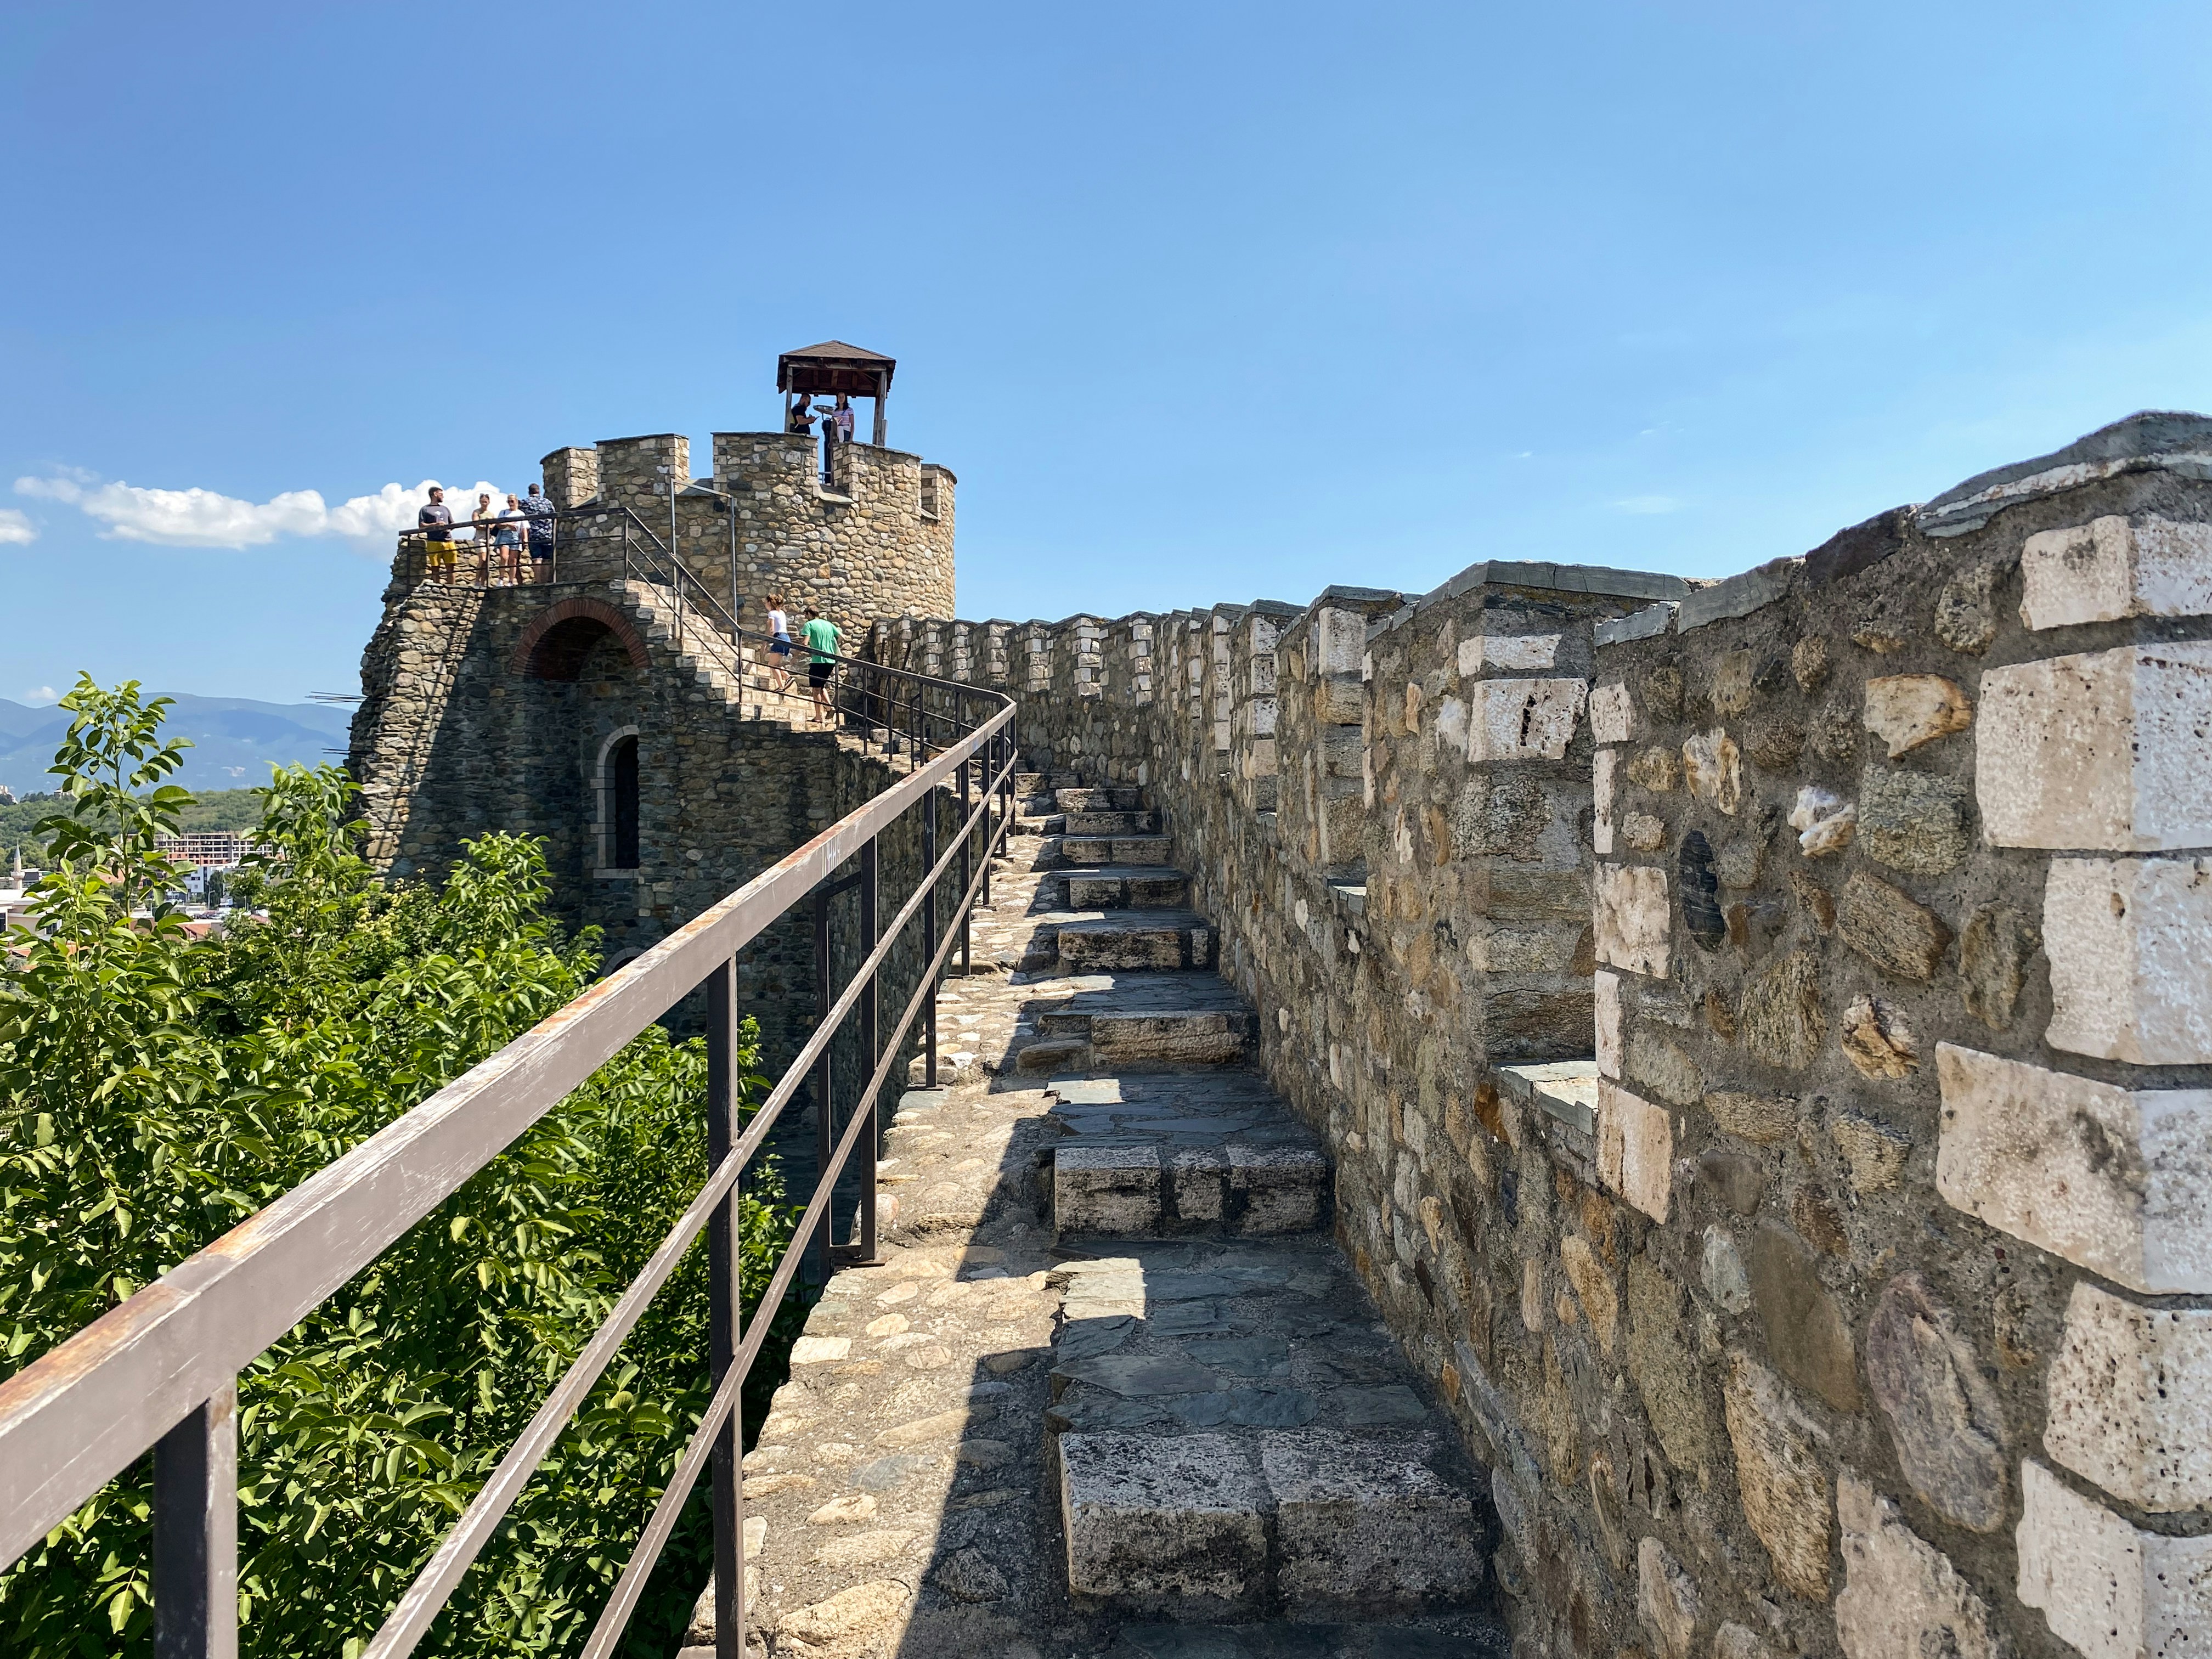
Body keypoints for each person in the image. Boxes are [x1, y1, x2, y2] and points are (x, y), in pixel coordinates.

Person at [802, 605, 840, 725]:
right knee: (821, 686)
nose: (806, 617)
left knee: (816, 689)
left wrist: (797, 654)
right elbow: (841, 637)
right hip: (830, 661)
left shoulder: (809, 625)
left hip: (818, 660)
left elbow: (805, 643)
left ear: (809, 614)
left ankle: (818, 716)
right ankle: (829, 707)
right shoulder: (828, 624)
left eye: (806, 615)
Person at [417, 487, 456, 579]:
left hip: (449, 541)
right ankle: (436, 586)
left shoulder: (445, 509)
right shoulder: (425, 509)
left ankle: (452, 587)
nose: (443, 496)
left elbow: (452, 523)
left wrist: (449, 528)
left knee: (451, 568)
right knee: (435, 568)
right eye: (441, 494)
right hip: (433, 541)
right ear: (435, 494)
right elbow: (422, 525)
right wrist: (436, 524)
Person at [764, 593, 794, 699]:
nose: (765, 604)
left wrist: (767, 640)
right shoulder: (782, 613)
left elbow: (772, 629)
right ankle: (785, 680)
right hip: (786, 638)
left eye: (766, 602)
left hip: (779, 638)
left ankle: (784, 682)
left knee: (772, 665)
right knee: (776, 664)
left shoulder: (772, 613)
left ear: (769, 603)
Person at [523, 482, 556, 576]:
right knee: (546, 559)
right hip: (547, 534)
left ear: (529, 492)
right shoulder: (547, 502)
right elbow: (554, 516)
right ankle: (545, 581)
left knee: (537, 559)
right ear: (539, 491)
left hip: (534, 534)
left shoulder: (525, 502)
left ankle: (539, 581)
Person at [494, 494, 526, 585]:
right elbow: (498, 524)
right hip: (505, 535)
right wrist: (509, 524)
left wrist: (525, 539)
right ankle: (501, 579)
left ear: (517, 502)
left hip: (516, 536)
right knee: (504, 557)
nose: (510, 503)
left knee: (513, 560)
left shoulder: (521, 513)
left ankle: (511, 581)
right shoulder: (503, 512)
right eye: (509, 501)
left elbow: (524, 528)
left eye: (512, 501)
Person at [471, 492, 498, 584]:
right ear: (480, 502)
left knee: (487, 562)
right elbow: (476, 524)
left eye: (486, 502)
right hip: (480, 538)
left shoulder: (491, 514)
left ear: (489, 502)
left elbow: (493, 525)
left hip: (489, 539)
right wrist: (486, 526)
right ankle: (477, 581)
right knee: (482, 559)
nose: (484, 504)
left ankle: (483, 582)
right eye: (483, 502)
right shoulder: (477, 512)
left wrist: (487, 526)